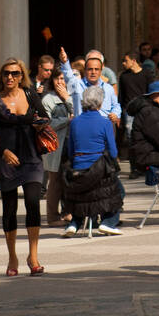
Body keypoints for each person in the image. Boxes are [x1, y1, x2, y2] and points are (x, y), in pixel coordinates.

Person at [0, 58, 48, 275]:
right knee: (10, 208)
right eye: (6, 73)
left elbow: (45, 117)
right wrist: (2, 151)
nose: (10, 77)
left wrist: (38, 122)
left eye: (15, 73)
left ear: (22, 76)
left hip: (31, 156)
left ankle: (33, 256)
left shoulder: (31, 95)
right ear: (1, 76)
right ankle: (12, 257)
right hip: (7, 159)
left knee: (33, 202)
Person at [63, 85, 122, 237]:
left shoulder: (75, 122)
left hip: (78, 169)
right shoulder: (105, 122)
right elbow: (113, 151)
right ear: (100, 103)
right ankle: (108, 222)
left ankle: (74, 224)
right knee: (119, 190)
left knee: (82, 194)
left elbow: (70, 150)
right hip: (99, 169)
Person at [39, 68, 72, 227]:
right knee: (55, 181)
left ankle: (68, 212)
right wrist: (66, 121)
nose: (60, 82)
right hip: (55, 146)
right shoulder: (47, 99)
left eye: (63, 78)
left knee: (70, 179)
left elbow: (78, 113)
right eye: (57, 79)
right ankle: (52, 216)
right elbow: (47, 123)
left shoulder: (73, 96)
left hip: (71, 144)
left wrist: (68, 99)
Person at [59, 48, 121, 128]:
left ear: (101, 71)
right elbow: (68, 77)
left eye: (96, 69)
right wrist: (65, 62)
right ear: (85, 70)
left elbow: (116, 105)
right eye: (90, 69)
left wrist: (115, 114)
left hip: (103, 129)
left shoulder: (108, 88)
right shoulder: (77, 85)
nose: (93, 72)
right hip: (83, 128)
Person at [127, 79, 159, 175]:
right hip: (149, 156)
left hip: (150, 154)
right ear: (151, 95)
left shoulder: (154, 109)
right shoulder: (150, 111)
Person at [118, 49, 153, 149]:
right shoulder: (124, 76)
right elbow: (121, 96)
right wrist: (120, 113)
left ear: (133, 61)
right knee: (130, 134)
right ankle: (134, 155)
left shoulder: (147, 74)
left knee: (145, 133)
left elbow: (150, 93)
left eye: (126, 60)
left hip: (144, 109)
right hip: (129, 111)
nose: (123, 63)